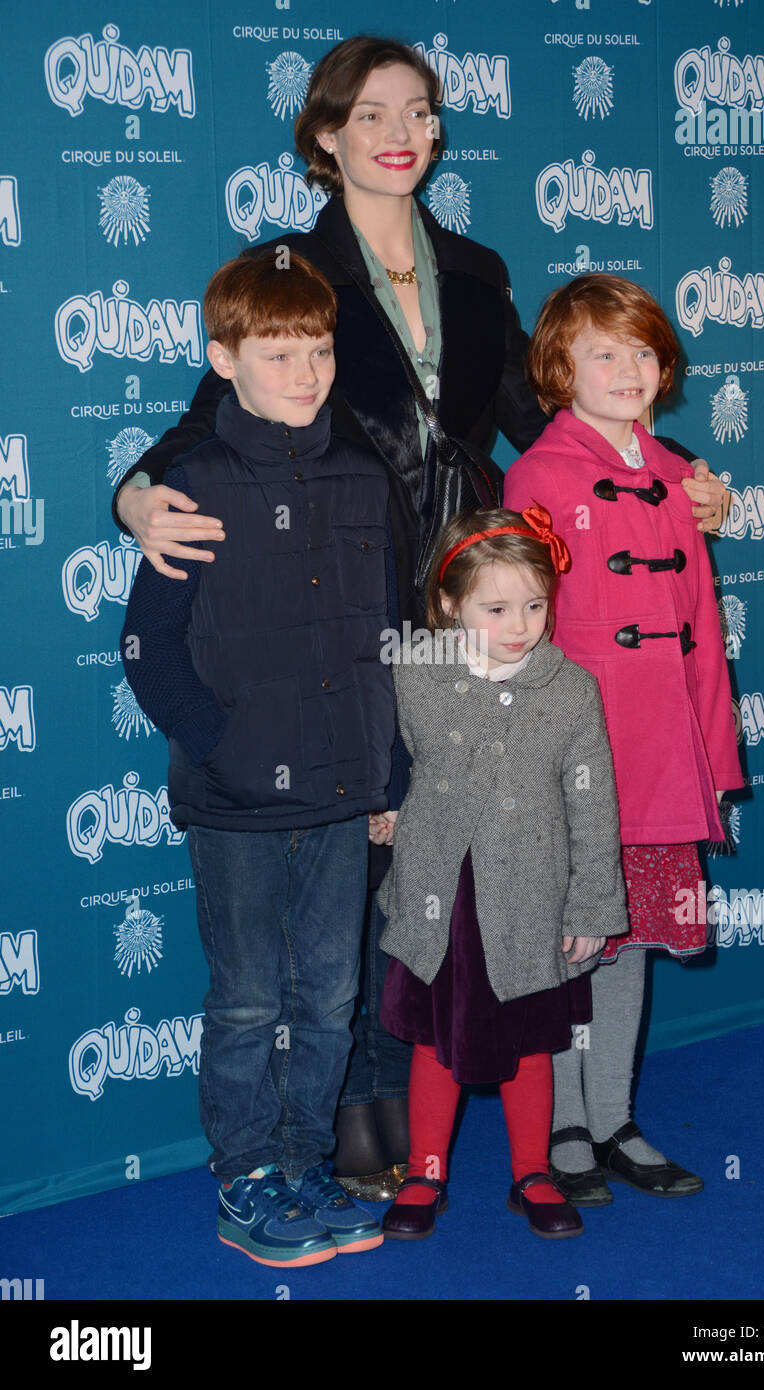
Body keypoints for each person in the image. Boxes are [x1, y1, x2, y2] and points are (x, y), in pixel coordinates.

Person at [110, 36, 730, 1198]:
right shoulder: (294, 267)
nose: (404, 129)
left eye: (424, 110)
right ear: (327, 135)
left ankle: (426, 1073)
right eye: (374, 110)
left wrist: (678, 464)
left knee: (435, 856)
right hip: (341, 596)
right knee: (356, 841)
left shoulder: (482, 272)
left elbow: (548, 413)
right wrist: (135, 493)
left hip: (466, 599)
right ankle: (357, 1102)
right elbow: (212, 408)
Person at [120, 250, 398, 1266]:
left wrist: (389, 777)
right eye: (277, 353)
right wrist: (224, 746)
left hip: (340, 790)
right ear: (222, 359)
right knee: (247, 997)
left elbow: (382, 639)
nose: (305, 372)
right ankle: (245, 1175)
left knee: (329, 993)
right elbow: (147, 647)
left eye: (318, 350)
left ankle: (304, 1157)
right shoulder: (189, 484)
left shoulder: (363, 477)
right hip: (236, 799)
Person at [503, 274, 744, 1206]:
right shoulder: (536, 477)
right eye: (604, 351)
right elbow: (518, 633)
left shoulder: (681, 475)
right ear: (560, 369)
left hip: (660, 760)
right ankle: (562, 1121)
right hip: (578, 762)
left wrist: (708, 754)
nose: (629, 368)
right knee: (573, 942)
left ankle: (613, 1118)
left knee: (631, 940)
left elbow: (700, 630)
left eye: (643, 350)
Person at [373, 507, 630, 1241]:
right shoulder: (413, 669)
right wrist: (385, 807)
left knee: (526, 1039)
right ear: (450, 604)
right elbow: (383, 752)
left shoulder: (570, 689)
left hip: (530, 896)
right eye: (495, 608)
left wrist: (589, 904)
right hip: (440, 892)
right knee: (432, 1035)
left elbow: (593, 805)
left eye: (534, 605)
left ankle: (533, 1172)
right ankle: (425, 1170)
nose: (519, 624)